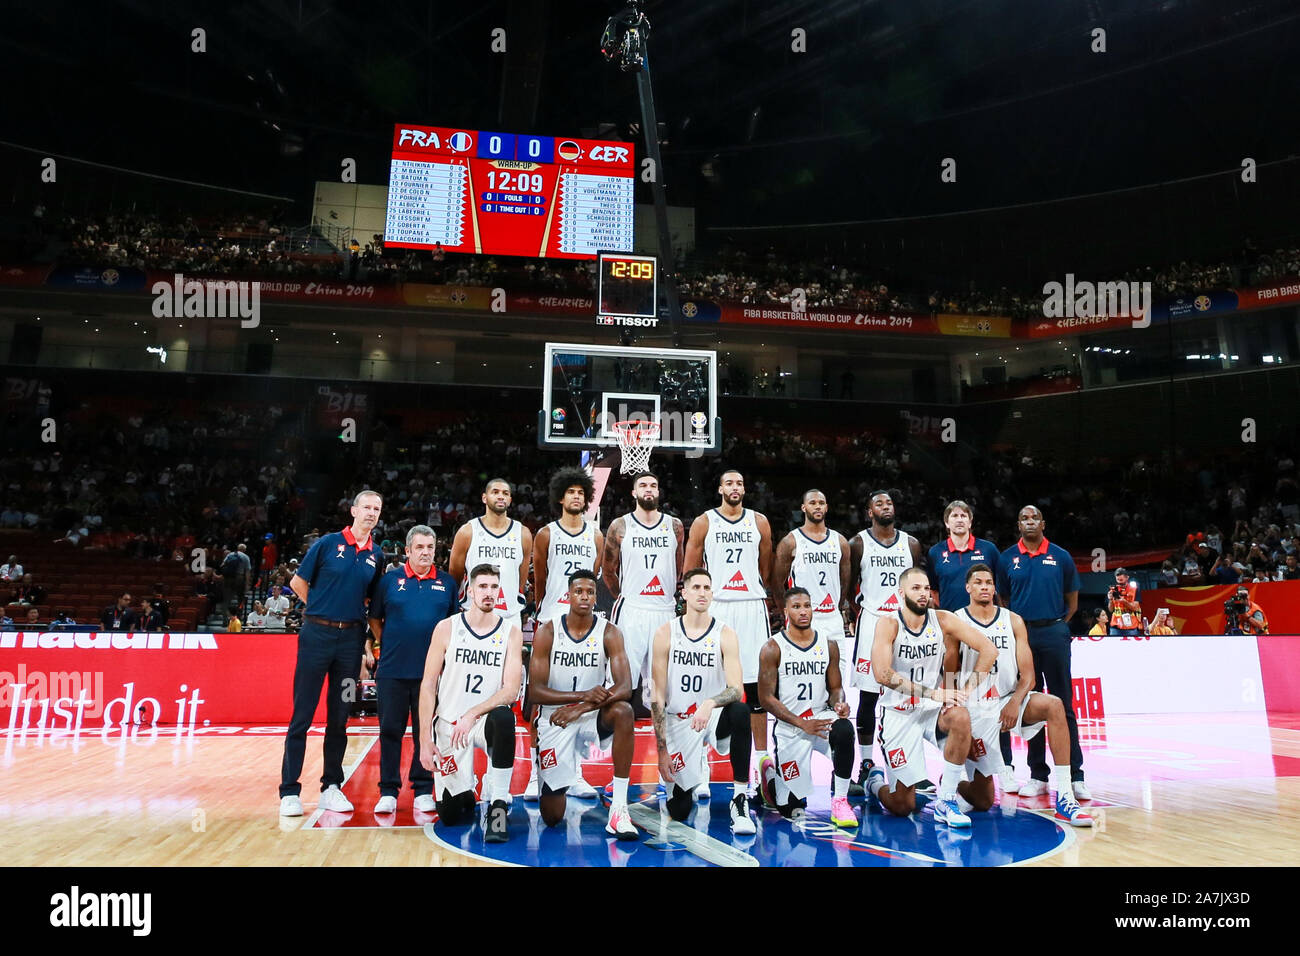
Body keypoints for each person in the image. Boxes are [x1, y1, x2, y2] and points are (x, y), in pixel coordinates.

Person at [951, 565, 1093, 826]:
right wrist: (958, 713)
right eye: (978, 582)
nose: (985, 586)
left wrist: (1015, 702)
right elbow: (950, 671)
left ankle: (1065, 797)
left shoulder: (1012, 620)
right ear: (968, 588)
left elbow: (1028, 676)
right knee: (983, 800)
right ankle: (951, 784)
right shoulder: (956, 620)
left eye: (989, 582)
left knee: (1054, 705)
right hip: (974, 708)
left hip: (1006, 698)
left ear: (995, 588)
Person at [861, 567, 997, 828]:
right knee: (903, 805)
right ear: (901, 593)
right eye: (916, 588)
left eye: (926, 588)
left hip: (932, 710)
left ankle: (946, 799)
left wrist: (965, 691)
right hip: (898, 712)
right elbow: (882, 673)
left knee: (960, 715)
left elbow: (988, 650)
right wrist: (932, 692)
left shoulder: (942, 619)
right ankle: (874, 782)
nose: (923, 594)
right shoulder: (888, 624)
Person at [279, 490, 386, 818]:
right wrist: (320, 606)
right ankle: (289, 791)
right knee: (303, 715)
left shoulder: (376, 556)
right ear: (353, 510)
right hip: (317, 635)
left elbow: (371, 604)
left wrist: (366, 644)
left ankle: (331, 787)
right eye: (366, 507)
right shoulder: (327, 544)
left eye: (376, 509)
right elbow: (298, 582)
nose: (370, 513)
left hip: (350, 642)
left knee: (340, 717)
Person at [417, 564, 524, 843]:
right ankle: (467, 786)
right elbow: (428, 685)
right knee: (452, 815)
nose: (489, 593)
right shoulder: (446, 628)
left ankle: (498, 804)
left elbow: (511, 690)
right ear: (470, 590)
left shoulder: (510, 633)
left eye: (493, 587)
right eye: (483, 587)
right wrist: (424, 739)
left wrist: (472, 713)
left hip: (481, 722)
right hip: (449, 726)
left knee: (504, 718)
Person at [684, 468, 774, 799]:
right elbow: (691, 571)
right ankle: (701, 764)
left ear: (744, 489)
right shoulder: (705, 522)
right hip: (718, 605)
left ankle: (762, 764)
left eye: (740, 482)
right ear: (720, 488)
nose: (735, 487)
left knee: (755, 688)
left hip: (751, 605)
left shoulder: (759, 522)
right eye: (729, 483)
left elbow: (764, 568)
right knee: (711, 684)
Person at [529, 570, 638, 839]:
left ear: (595, 597)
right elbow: (536, 691)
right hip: (555, 717)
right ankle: (551, 776)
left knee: (624, 711)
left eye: (590, 592)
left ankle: (619, 810)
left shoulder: (610, 632)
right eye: (579, 591)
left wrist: (582, 707)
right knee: (552, 816)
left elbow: (624, 687)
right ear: (569, 595)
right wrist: (580, 697)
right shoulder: (548, 632)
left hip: (591, 715)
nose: (585, 597)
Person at [650, 568, 756, 834]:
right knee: (679, 810)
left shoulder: (724, 633)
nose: (702, 593)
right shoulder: (666, 633)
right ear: (683, 593)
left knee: (741, 710)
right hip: (679, 721)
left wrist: (709, 703)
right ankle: (696, 768)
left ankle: (739, 799)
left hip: (713, 717)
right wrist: (662, 750)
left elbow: (735, 688)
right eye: (696, 587)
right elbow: (657, 697)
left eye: (707, 588)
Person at [996, 506, 1088, 800]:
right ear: (1018, 524)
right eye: (1024, 517)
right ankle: (1038, 775)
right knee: (1029, 706)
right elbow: (1004, 598)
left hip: (1054, 632)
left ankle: (1075, 775)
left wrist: (1059, 624)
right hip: (1022, 636)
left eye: (1035, 517)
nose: (1030, 521)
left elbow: (1072, 599)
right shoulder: (1007, 558)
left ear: (1043, 523)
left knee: (1064, 704)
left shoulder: (1060, 556)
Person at [367, 525, 458, 815]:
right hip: (392, 670)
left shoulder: (447, 583)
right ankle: (388, 791)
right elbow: (374, 619)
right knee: (390, 730)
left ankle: (422, 788)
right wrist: (391, 643)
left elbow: (454, 627)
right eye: (419, 547)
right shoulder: (389, 581)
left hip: (430, 676)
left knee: (425, 732)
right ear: (407, 551)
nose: (425, 553)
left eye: (430, 548)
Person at [529, 468, 604, 799]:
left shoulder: (596, 536)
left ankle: (574, 773)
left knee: (582, 697)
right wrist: (544, 612)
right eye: (570, 491)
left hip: (585, 626)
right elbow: (541, 579)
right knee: (541, 699)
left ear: (587, 499)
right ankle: (536, 774)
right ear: (560, 497)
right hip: (551, 620)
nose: (576, 496)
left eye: (581, 492)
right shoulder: (546, 534)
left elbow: (594, 579)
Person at [757, 587, 857, 828]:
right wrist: (802, 723)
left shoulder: (828, 644)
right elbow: (766, 699)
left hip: (821, 719)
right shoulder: (773, 648)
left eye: (807, 606)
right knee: (790, 806)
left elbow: (835, 688)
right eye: (796, 607)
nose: (803, 612)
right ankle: (769, 775)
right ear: (785, 611)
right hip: (792, 726)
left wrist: (839, 703)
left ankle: (840, 799)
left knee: (844, 729)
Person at [848, 490, 927, 795]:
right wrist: (864, 613)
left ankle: (911, 765)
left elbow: (917, 584)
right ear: (870, 512)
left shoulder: (911, 544)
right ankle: (866, 764)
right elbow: (849, 585)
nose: (886, 507)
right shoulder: (858, 543)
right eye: (879, 503)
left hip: (906, 624)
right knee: (869, 697)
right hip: (872, 623)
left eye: (890, 502)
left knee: (909, 695)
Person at [926, 498, 1007, 789]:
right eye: (954, 516)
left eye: (964, 515)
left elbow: (999, 586)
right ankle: (955, 765)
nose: (959, 520)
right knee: (952, 694)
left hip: (984, 628)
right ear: (946, 523)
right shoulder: (936, 552)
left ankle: (1003, 763)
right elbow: (933, 591)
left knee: (994, 696)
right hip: (950, 631)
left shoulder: (988, 549)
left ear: (970, 521)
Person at [603, 471, 684, 715]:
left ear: (658, 491)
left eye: (653, 485)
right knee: (620, 680)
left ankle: (662, 742)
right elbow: (608, 571)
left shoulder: (675, 526)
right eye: (643, 486)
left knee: (662, 684)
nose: (648, 489)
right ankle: (608, 735)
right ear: (634, 492)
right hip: (632, 610)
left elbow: (678, 570)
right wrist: (625, 597)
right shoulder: (620, 526)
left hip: (664, 611)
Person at [449, 478, 533, 638]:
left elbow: (521, 578)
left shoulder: (523, 534)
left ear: (510, 499)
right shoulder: (467, 532)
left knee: (510, 663)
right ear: (484, 498)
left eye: (505, 493)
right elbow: (455, 575)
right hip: (473, 614)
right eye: (495, 492)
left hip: (509, 616)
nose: (501, 496)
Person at [1107, 568, 1143, 636]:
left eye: (1121, 580)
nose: (1119, 582)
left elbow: (1135, 608)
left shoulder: (1135, 589)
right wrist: (1110, 600)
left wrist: (1124, 601)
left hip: (1131, 627)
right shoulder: (1113, 590)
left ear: (1127, 578)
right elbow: (1111, 610)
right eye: (1117, 580)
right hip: (1116, 626)